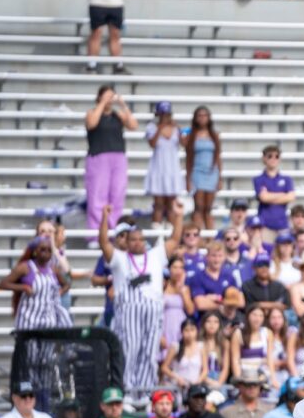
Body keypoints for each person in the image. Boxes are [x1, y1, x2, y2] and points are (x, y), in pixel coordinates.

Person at [97, 201, 183, 396]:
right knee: (129, 351)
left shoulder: (155, 255)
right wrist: (104, 219)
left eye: (140, 239)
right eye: (133, 239)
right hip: (128, 311)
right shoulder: (119, 258)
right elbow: (103, 243)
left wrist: (178, 215)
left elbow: (175, 238)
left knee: (149, 352)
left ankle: (144, 393)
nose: (138, 242)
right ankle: (126, 392)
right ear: (126, 242)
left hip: (152, 309)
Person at [84, 85, 137, 232]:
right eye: (106, 96)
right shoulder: (92, 113)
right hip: (98, 156)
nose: (109, 99)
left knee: (117, 194)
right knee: (97, 195)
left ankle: (113, 229)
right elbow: (91, 123)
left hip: (118, 157)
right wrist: (102, 103)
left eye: (111, 96)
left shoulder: (117, 115)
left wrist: (122, 105)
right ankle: (95, 232)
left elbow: (133, 125)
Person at [184, 107, 221, 231]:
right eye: (199, 115)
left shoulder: (214, 135)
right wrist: (188, 179)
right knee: (199, 207)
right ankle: (198, 236)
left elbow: (218, 157)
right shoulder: (192, 136)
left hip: (212, 173)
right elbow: (188, 159)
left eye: (205, 115)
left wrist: (220, 178)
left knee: (208, 208)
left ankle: (210, 237)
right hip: (197, 172)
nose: (202, 118)